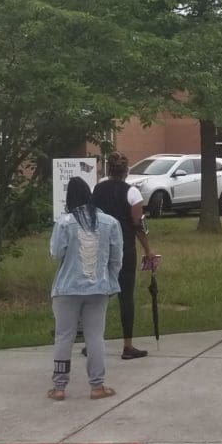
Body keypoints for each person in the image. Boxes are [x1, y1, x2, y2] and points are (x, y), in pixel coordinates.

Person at [47, 177, 124, 401]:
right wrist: (111, 281)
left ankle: (59, 387)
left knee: (64, 337)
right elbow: (117, 258)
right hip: (98, 288)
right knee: (95, 337)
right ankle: (97, 386)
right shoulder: (110, 222)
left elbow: (56, 253)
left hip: (67, 288)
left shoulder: (64, 223)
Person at [94, 153, 154, 360]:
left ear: (108, 169)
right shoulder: (132, 193)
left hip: (101, 249)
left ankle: (94, 342)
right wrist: (148, 250)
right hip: (124, 249)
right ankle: (127, 346)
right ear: (126, 170)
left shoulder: (97, 189)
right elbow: (138, 225)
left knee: (99, 295)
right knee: (125, 296)